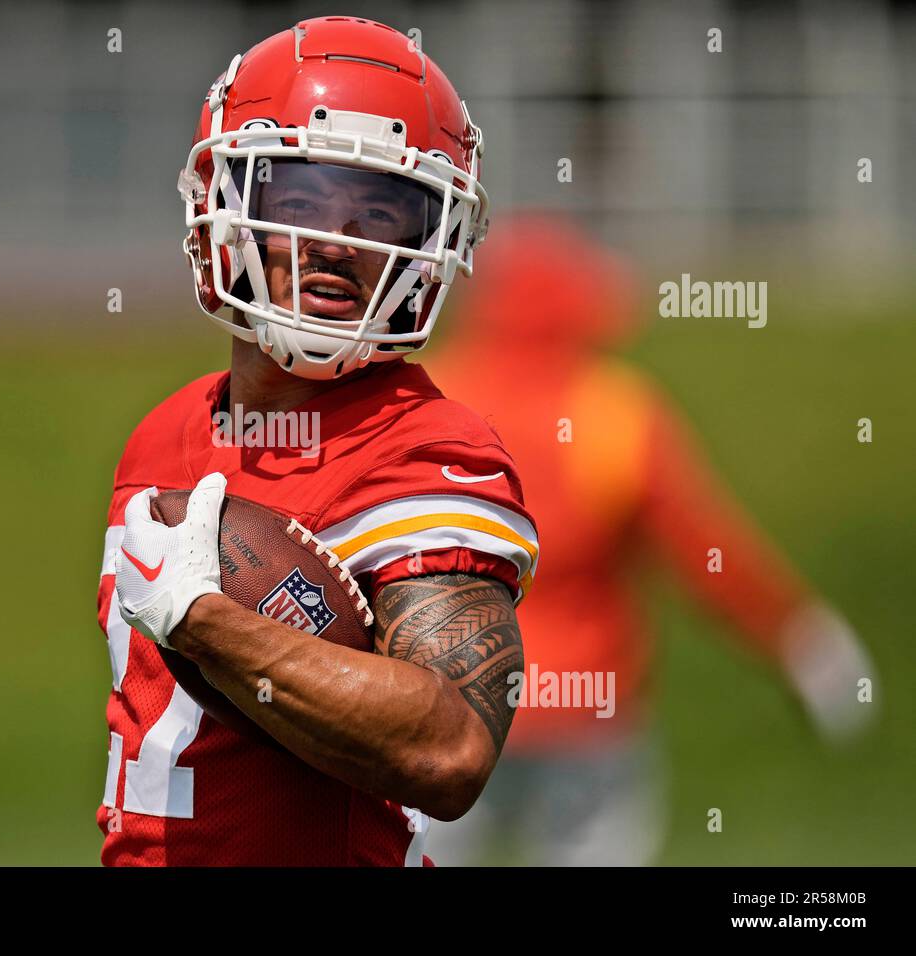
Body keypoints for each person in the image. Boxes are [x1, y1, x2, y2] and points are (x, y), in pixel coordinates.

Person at [94, 17, 539, 866]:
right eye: (300, 202)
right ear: (223, 207)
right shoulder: (162, 434)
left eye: (380, 211)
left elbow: (451, 753)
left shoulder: (425, 452)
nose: (338, 242)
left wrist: (213, 627)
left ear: (431, 243)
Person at [427, 214, 875, 865]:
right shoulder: (614, 411)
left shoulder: (426, 402)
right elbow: (706, 555)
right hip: (585, 709)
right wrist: (799, 637)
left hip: (443, 699)